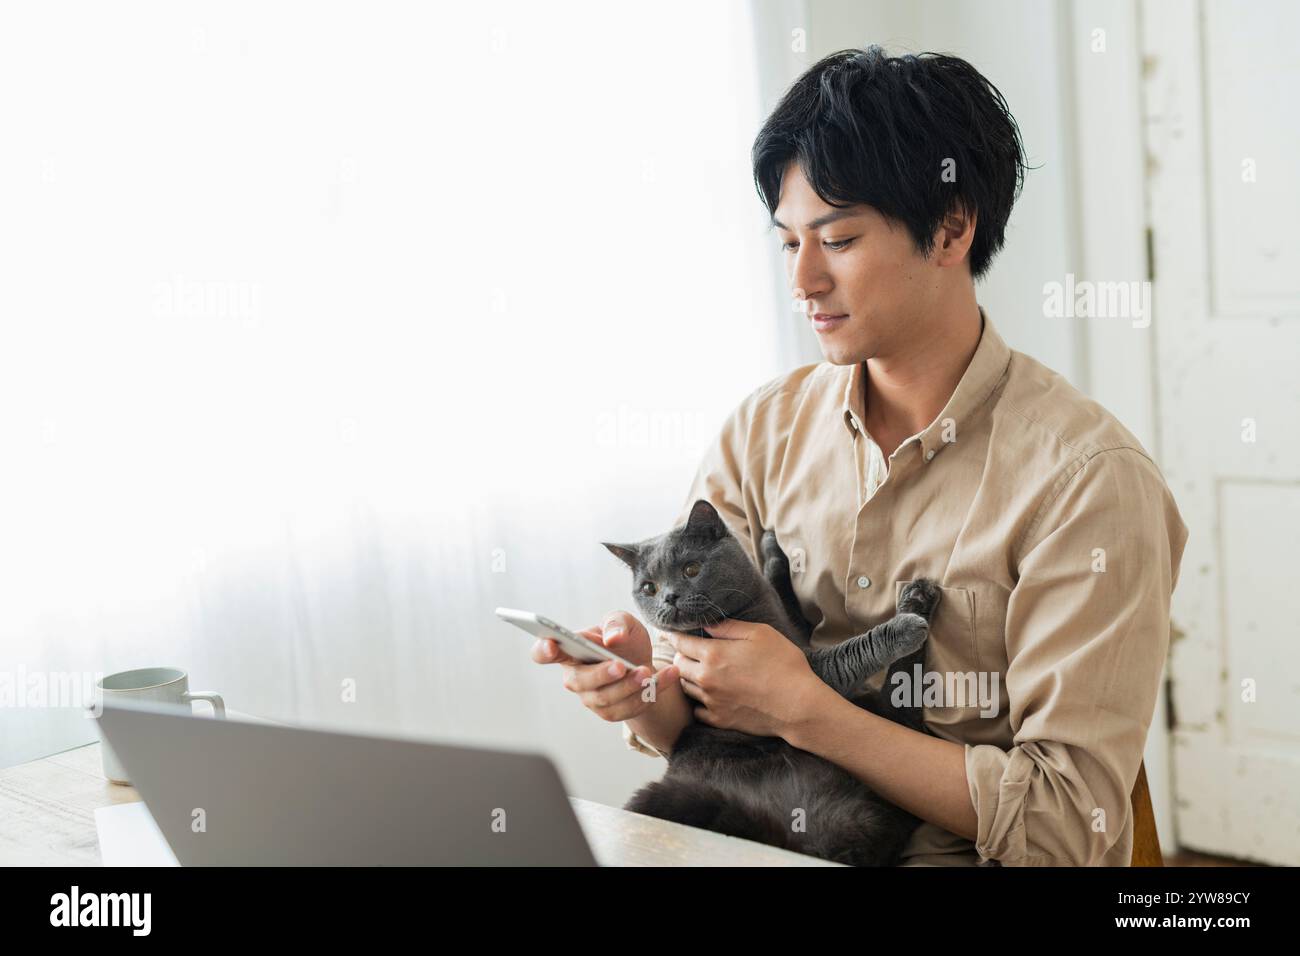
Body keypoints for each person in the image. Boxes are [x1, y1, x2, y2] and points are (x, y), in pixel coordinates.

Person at [533, 46, 1188, 866]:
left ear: (951, 228)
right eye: (787, 244)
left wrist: (806, 707)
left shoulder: (1088, 483)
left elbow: (1065, 826)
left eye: (837, 240)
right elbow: (702, 728)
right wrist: (640, 692)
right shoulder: (762, 433)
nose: (803, 280)